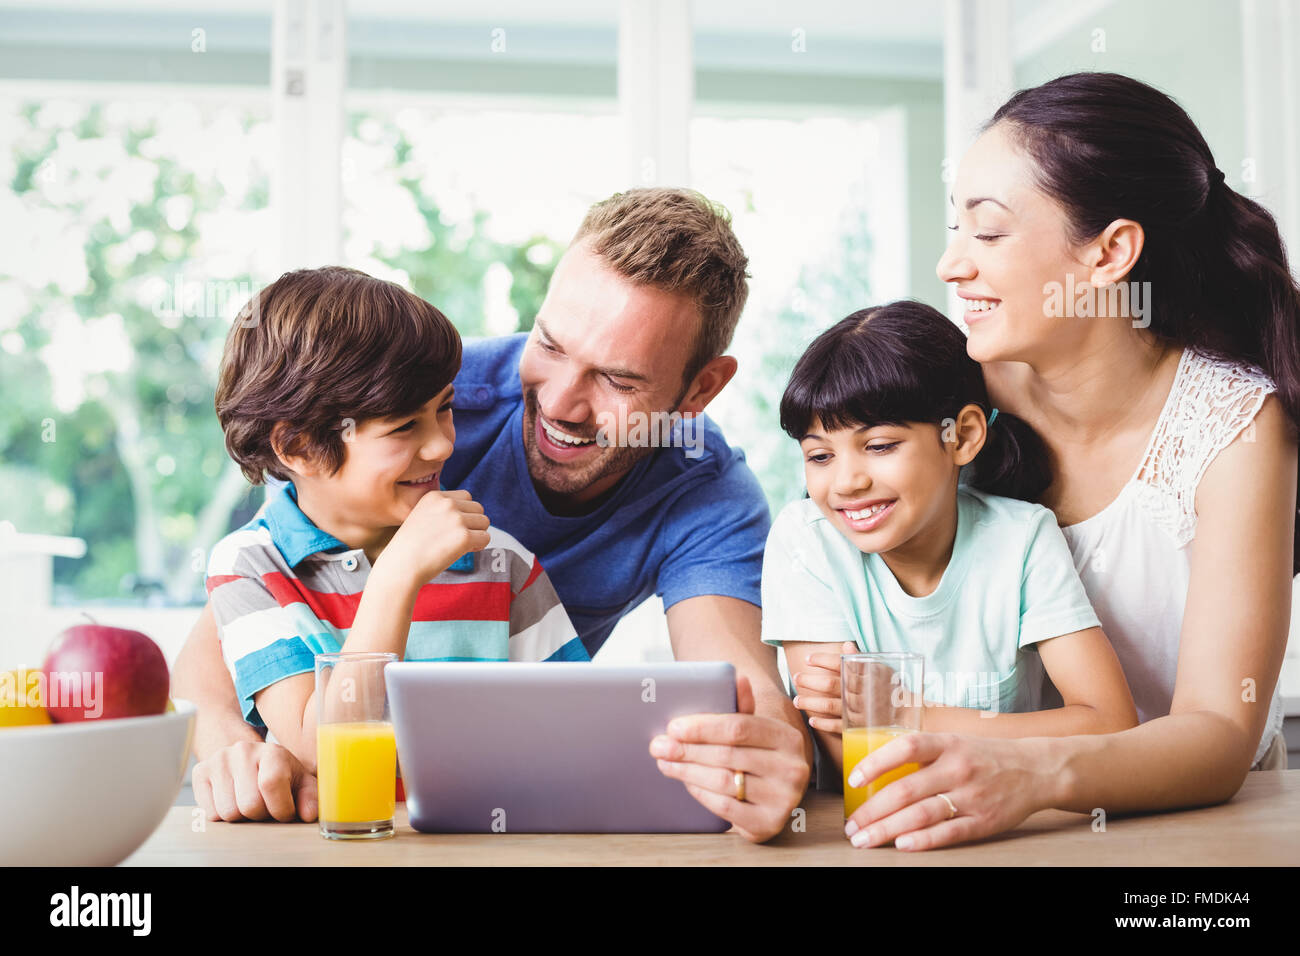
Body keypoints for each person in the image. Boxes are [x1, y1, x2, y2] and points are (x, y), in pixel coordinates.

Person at [174, 188, 811, 843]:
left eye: (618, 381)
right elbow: (233, 618)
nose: (563, 402)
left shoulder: (699, 495)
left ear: (700, 389)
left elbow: (733, 694)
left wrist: (762, 762)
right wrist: (230, 744)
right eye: (551, 344)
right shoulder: (418, 385)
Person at [843, 72, 1297, 851]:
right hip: (984, 816)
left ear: (1110, 252)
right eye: (956, 228)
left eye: (987, 234)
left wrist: (1035, 774)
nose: (952, 265)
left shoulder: (1236, 423)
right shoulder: (950, 402)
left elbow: (1219, 730)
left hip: (1199, 830)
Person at [206, 266, 587, 772]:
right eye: (405, 426)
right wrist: (395, 577)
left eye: (444, 409)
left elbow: (579, 737)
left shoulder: (500, 561)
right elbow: (326, 752)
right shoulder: (250, 567)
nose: (442, 444)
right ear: (298, 446)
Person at [763, 301, 1137, 783]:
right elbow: (864, 767)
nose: (846, 482)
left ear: (961, 436)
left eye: (878, 446)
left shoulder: (1022, 538)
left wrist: (906, 712)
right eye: (819, 456)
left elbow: (1111, 725)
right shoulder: (805, 543)